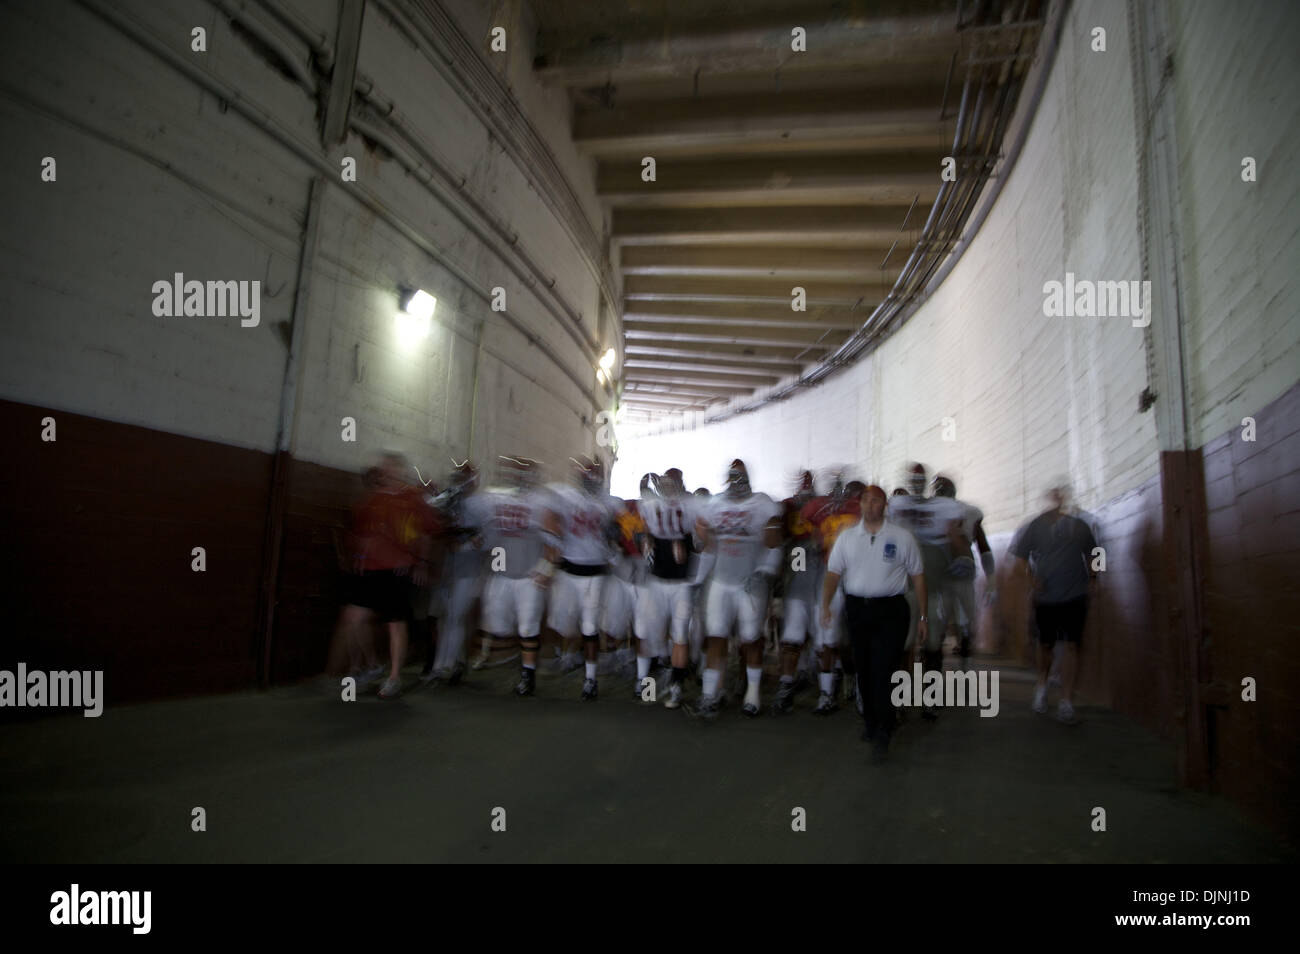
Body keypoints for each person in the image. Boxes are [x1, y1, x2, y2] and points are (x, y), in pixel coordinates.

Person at [822, 485, 926, 762]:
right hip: (857, 608)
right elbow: (833, 573)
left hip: (891, 610)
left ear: (885, 505)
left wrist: (924, 616)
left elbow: (918, 577)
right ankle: (870, 722)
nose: (870, 505)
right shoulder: (846, 538)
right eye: (866, 500)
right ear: (861, 505)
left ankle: (884, 729)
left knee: (885, 669)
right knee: (864, 669)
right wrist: (825, 604)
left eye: (876, 500)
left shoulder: (901, 537)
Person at [338, 453, 439, 699]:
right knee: (353, 617)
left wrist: (422, 564)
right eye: (384, 469)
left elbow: (426, 532)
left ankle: (394, 677)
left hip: (398, 569)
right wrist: (359, 559)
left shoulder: (412, 498)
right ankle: (372, 664)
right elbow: (363, 534)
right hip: (370, 569)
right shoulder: (372, 500)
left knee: (395, 623)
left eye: (391, 468)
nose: (387, 472)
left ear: (400, 471)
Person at [692, 460, 783, 718]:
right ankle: (710, 694)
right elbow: (709, 547)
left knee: (751, 638)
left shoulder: (762, 503)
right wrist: (699, 579)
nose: (735, 482)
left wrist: (765, 573)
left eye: (739, 476)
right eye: (731, 477)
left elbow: (775, 545)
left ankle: (752, 694)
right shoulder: (715, 504)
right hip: (722, 580)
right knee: (716, 637)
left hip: (749, 583)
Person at [1010, 480, 1098, 725]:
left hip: (1075, 595)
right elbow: (1019, 560)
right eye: (1052, 497)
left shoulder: (1079, 526)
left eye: (1060, 497)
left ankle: (1066, 701)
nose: (1057, 501)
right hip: (1045, 597)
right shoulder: (1035, 527)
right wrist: (1031, 580)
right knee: (1045, 645)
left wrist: (1094, 578)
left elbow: (1095, 552)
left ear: (1065, 500)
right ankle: (1042, 686)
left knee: (1072, 645)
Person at [887, 463, 965, 719]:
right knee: (903, 644)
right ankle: (901, 697)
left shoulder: (944, 508)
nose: (918, 483)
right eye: (914, 479)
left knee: (932, 644)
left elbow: (956, 542)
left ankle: (929, 697)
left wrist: (961, 556)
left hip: (932, 586)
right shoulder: (897, 506)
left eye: (921, 479)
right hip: (905, 588)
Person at [473, 457, 555, 697]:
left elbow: (555, 538)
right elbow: (486, 538)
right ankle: (504, 656)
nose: (519, 477)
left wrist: (546, 568)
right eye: (516, 472)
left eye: (524, 472)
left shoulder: (541, 502)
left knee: (528, 627)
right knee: (498, 624)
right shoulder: (495, 500)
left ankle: (527, 675)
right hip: (501, 573)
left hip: (529, 575)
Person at [544, 456, 623, 702]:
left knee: (590, 627)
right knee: (561, 622)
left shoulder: (610, 503)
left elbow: (619, 534)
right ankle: (566, 656)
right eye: (588, 473)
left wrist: (614, 546)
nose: (591, 478)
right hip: (568, 570)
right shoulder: (565, 496)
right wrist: (553, 545)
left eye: (595, 473)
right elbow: (547, 519)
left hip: (595, 573)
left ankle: (590, 678)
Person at [634, 468, 700, 709]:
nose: (670, 488)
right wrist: (646, 541)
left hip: (681, 582)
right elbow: (644, 532)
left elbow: (702, 541)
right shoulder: (652, 507)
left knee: (680, 634)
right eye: (667, 484)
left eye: (674, 483)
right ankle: (645, 682)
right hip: (657, 580)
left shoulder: (691, 505)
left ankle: (676, 686)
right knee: (648, 631)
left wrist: (689, 545)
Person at [932, 475, 995, 668]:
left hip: (961, 576)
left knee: (964, 625)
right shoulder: (931, 512)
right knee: (939, 628)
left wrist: (991, 580)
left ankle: (964, 669)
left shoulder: (968, 512)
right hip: (939, 576)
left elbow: (983, 546)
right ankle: (936, 673)